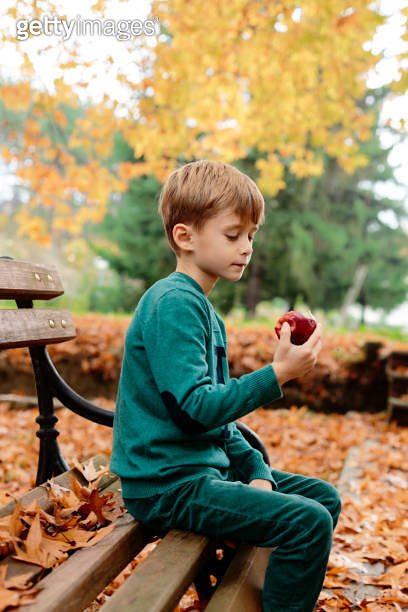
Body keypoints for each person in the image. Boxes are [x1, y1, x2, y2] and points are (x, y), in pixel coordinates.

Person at [110, 159, 342, 612]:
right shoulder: (173, 303)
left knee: (322, 498)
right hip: (165, 485)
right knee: (309, 522)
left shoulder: (202, 309)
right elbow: (196, 408)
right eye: (233, 234)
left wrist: (255, 469)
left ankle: (256, 590)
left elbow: (218, 418)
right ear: (185, 237)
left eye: (251, 236)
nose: (247, 247)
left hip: (197, 472)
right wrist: (277, 374)